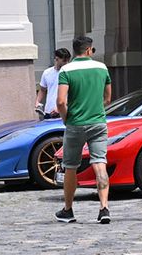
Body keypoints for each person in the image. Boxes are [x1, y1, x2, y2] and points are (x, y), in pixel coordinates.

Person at [55, 36, 112, 224]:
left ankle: (68, 209)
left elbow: (61, 101)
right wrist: (97, 109)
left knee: (70, 166)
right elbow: (108, 98)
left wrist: (66, 118)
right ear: (89, 50)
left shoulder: (66, 70)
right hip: (98, 123)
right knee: (100, 163)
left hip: (75, 124)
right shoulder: (101, 68)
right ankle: (104, 208)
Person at [36, 48, 71, 119]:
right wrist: (37, 102)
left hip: (64, 111)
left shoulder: (70, 73)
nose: (67, 63)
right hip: (49, 111)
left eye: (68, 61)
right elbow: (42, 89)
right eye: (64, 61)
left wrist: (60, 108)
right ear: (57, 59)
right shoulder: (47, 73)